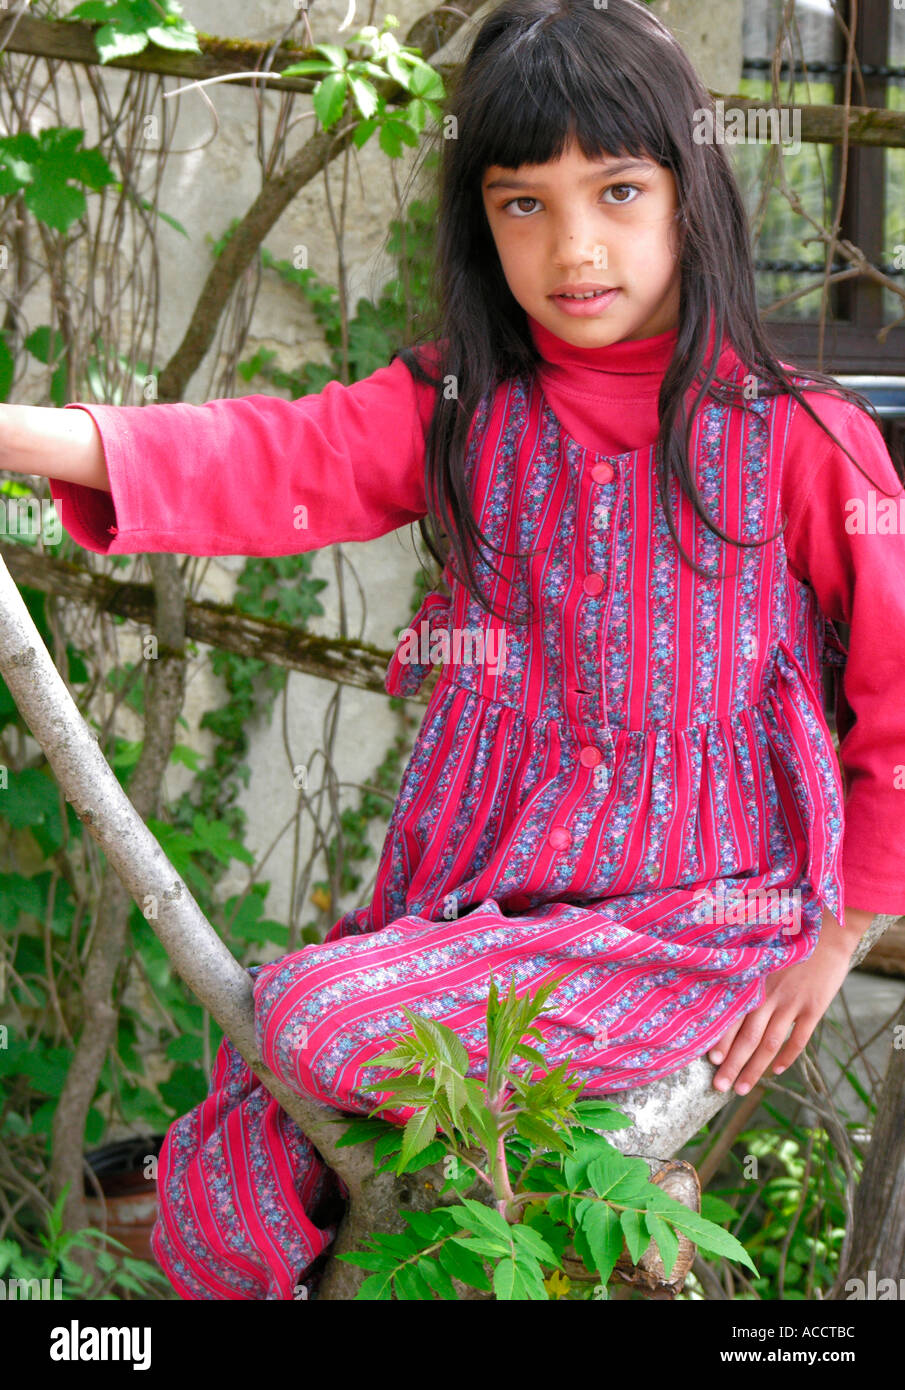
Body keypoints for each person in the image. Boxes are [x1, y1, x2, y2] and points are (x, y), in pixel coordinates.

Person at [2, 0, 903, 1300]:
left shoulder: (801, 440)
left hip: (693, 914)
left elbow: (895, 695)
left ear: (689, 194)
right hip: (485, 892)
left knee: (306, 1020)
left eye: (616, 190)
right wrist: (21, 437)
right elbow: (277, 455)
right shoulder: (459, 405)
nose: (573, 245)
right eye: (521, 202)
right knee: (274, 1062)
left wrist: (834, 937)